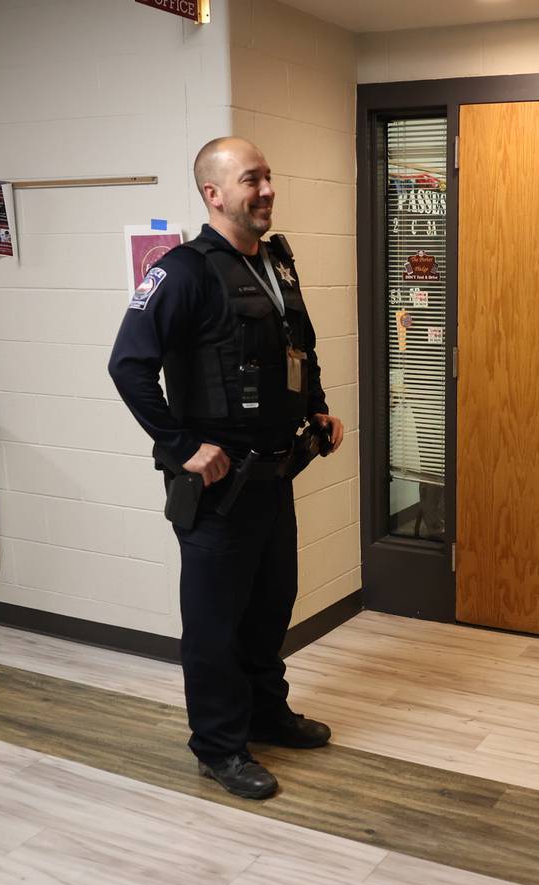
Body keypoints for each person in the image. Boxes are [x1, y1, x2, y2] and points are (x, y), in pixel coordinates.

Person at [108, 137, 344, 800]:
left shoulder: (277, 264)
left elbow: (299, 349)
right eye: (250, 180)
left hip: (275, 480)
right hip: (216, 493)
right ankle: (218, 746)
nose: (266, 190)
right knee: (214, 627)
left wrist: (318, 410)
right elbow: (127, 366)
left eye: (269, 177)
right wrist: (180, 445)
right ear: (213, 194)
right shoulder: (183, 271)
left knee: (270, 611)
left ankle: (266, 715)